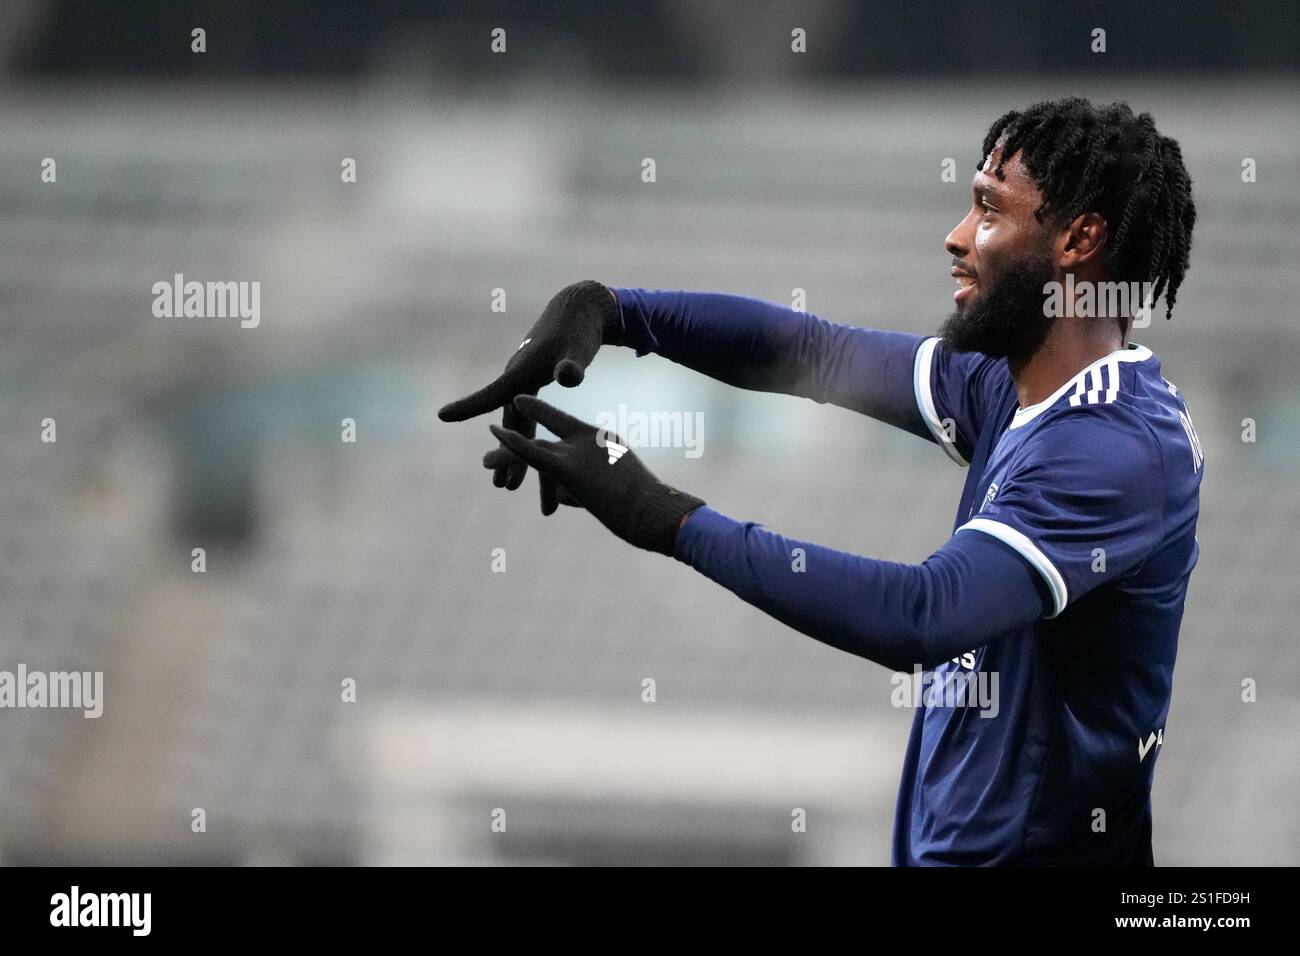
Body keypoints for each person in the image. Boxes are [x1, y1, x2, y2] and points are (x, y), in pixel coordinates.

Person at [438, 97, 1202, 866]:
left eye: (987, 209)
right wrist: (611, 311)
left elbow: (922, 615)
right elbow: (818, 355)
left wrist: (662, 516)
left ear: (1078, 240)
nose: (957, 235)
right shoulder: (1013, 386)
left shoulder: (1114, 452)